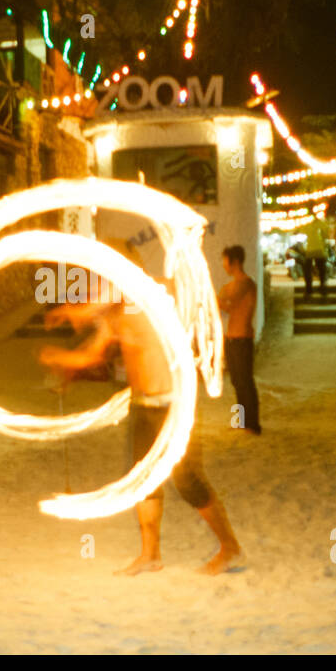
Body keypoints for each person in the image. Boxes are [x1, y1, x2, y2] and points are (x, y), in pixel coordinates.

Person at [39, 242, 243, 576]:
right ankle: (150, 555)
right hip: (142, 406)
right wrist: (59, 358)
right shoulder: (116, 313)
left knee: (189, 482)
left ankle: (230, 548)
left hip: (174, 407)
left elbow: (153, 298)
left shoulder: (157, 293)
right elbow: (92, 354)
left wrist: (75, 311)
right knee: (144, 482)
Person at [218, 245, 261, 435]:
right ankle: (241, 421)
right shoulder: (230, 285)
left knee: (245, 382)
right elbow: (222, 300)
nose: (223, 265)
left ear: (234, 261)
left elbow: (229, 303)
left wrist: (211, 296)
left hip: (243, 339)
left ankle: (253, 424)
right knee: (236, 382)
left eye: (225, 261)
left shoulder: (246, 284)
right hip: (232, 339)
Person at [299, 217, 328, 299]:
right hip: (319, 250)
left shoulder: (308, 224)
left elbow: (302, 230)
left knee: (307, 270)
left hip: (310, 250)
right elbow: (326, 235)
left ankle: (309, 289)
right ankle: (322, 288)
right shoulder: (322, 224)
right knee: (322, 270)